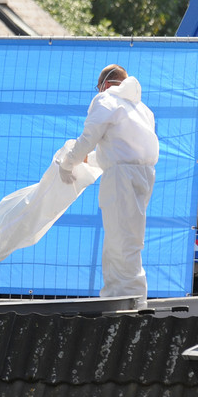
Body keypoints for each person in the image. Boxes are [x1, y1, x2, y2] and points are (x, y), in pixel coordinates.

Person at [59, 63, 159, 307]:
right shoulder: (141, 109)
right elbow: (122, 149)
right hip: (144, 175)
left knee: (119, 241)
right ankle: (129, 297)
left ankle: (125, 302)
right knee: (130, 238)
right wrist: (90, 159)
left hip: (121, 178)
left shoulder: (105, 99)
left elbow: (89, 137)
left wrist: (68, 162)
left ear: (103, 84)